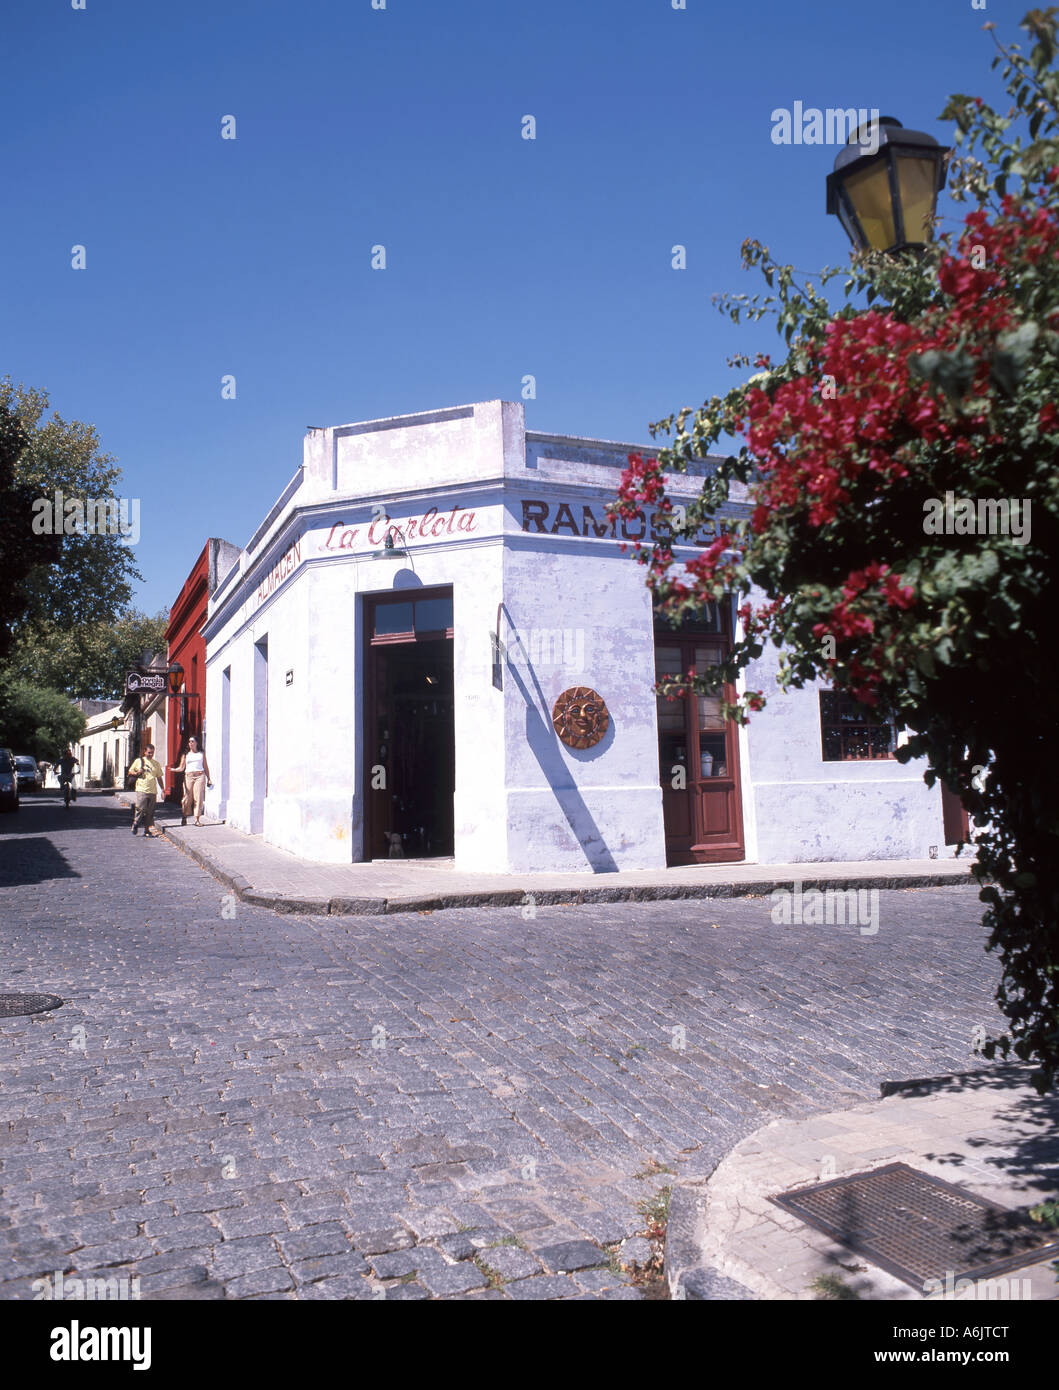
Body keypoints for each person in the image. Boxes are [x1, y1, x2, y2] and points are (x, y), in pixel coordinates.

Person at [170, 736, 212, 827]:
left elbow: (205, 766)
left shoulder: (201, 753)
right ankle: (184, 815)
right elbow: (181, 767)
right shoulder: (185, 754)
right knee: (187, 798)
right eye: (189, 742)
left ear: (197, 743)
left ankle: (197, 819)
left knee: (198, 798)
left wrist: (209, 778)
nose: (190, 743)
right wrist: (173, 769)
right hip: (188, 776)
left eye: (192, 741)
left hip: (200, 776)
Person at [127, 743, 165, 838]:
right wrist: (137, 772)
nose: (150, 754)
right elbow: (129, 772)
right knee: (140, 808)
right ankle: (135, 823)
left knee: (150, 812)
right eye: (149, 752)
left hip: (152, 791)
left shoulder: (156, 764)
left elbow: (159, 777)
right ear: (145, 752)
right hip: (141, 789)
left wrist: (163, 789)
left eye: (152, 753)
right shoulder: (139, 761)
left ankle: (147, 830)